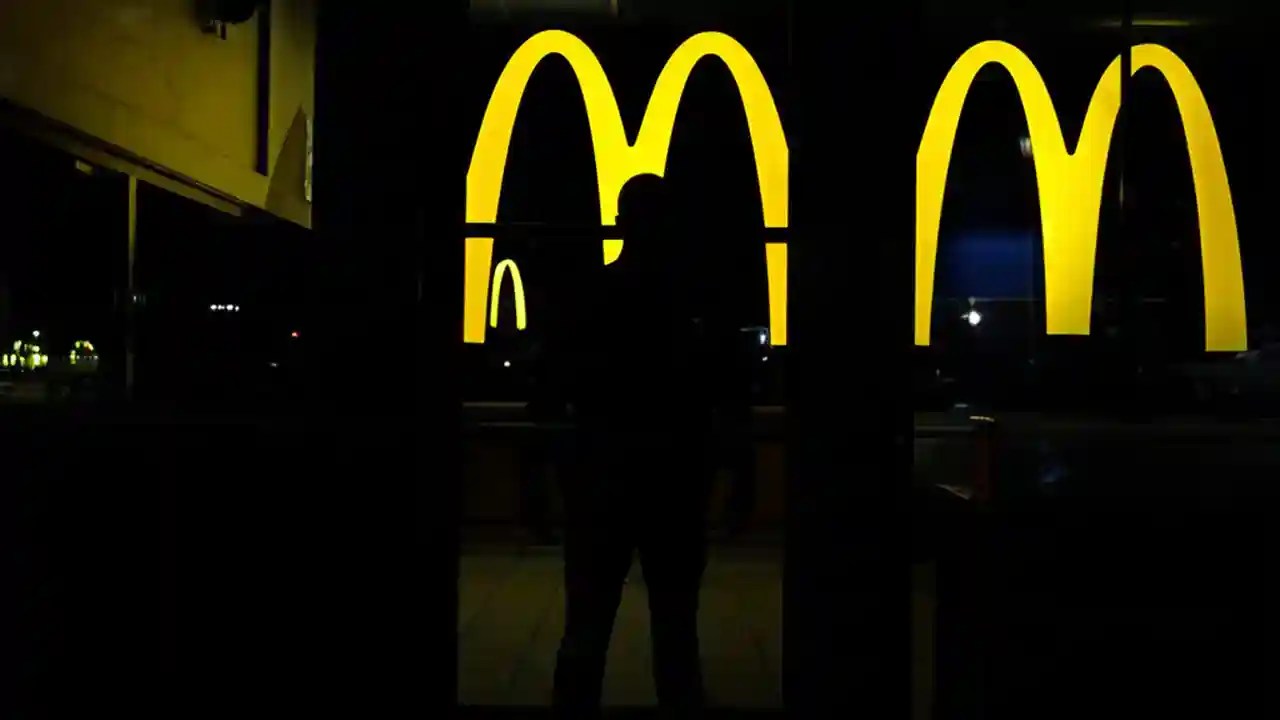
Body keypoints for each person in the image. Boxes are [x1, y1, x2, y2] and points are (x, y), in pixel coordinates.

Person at [552, 174, 717, 715]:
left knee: (588, 624)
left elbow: (562, 385)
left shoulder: (592, 294)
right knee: (676, 628)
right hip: (674, 479)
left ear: (621, 222)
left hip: (604, 475)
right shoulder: (691, 305)